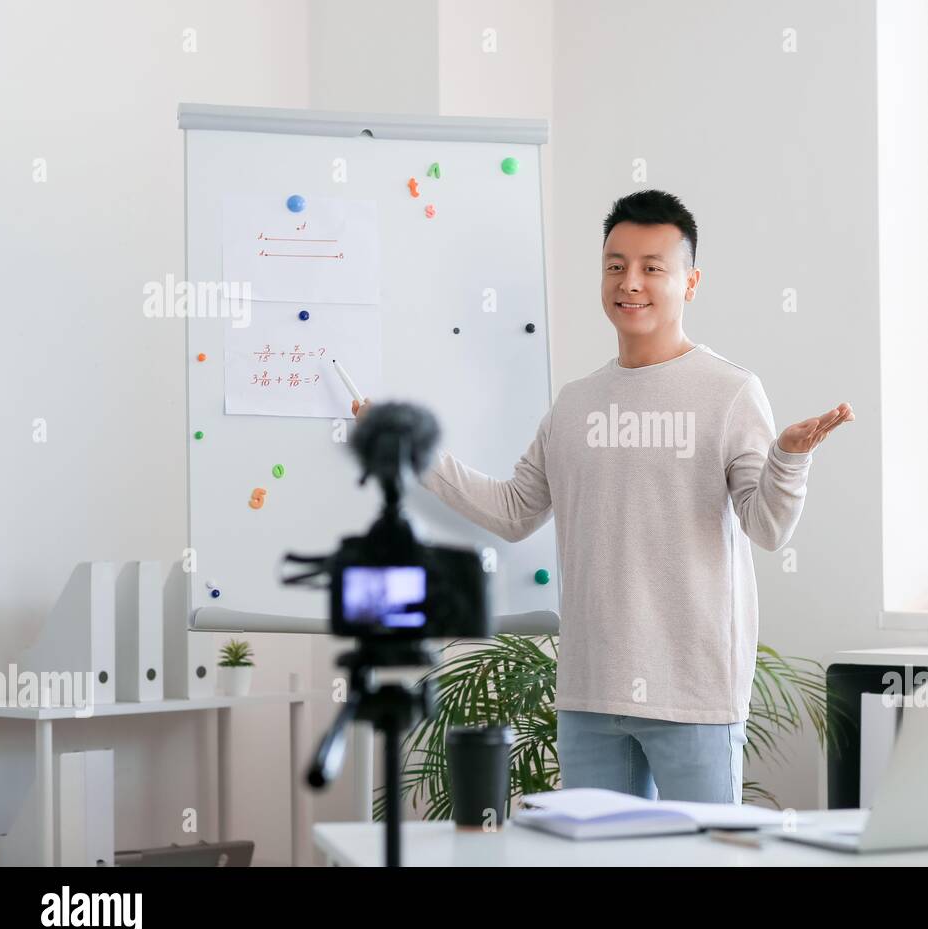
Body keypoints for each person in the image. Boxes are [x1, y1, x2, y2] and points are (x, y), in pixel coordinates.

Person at [354, 189, 852, 803]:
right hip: (590, 690)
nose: (630, 282)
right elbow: (513, 512)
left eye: (652, 267)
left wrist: (789, 458)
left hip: (692, 693)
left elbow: (768, 527)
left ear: (690, 281)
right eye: (616, 265)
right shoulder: (576, 401)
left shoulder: (729, 392)